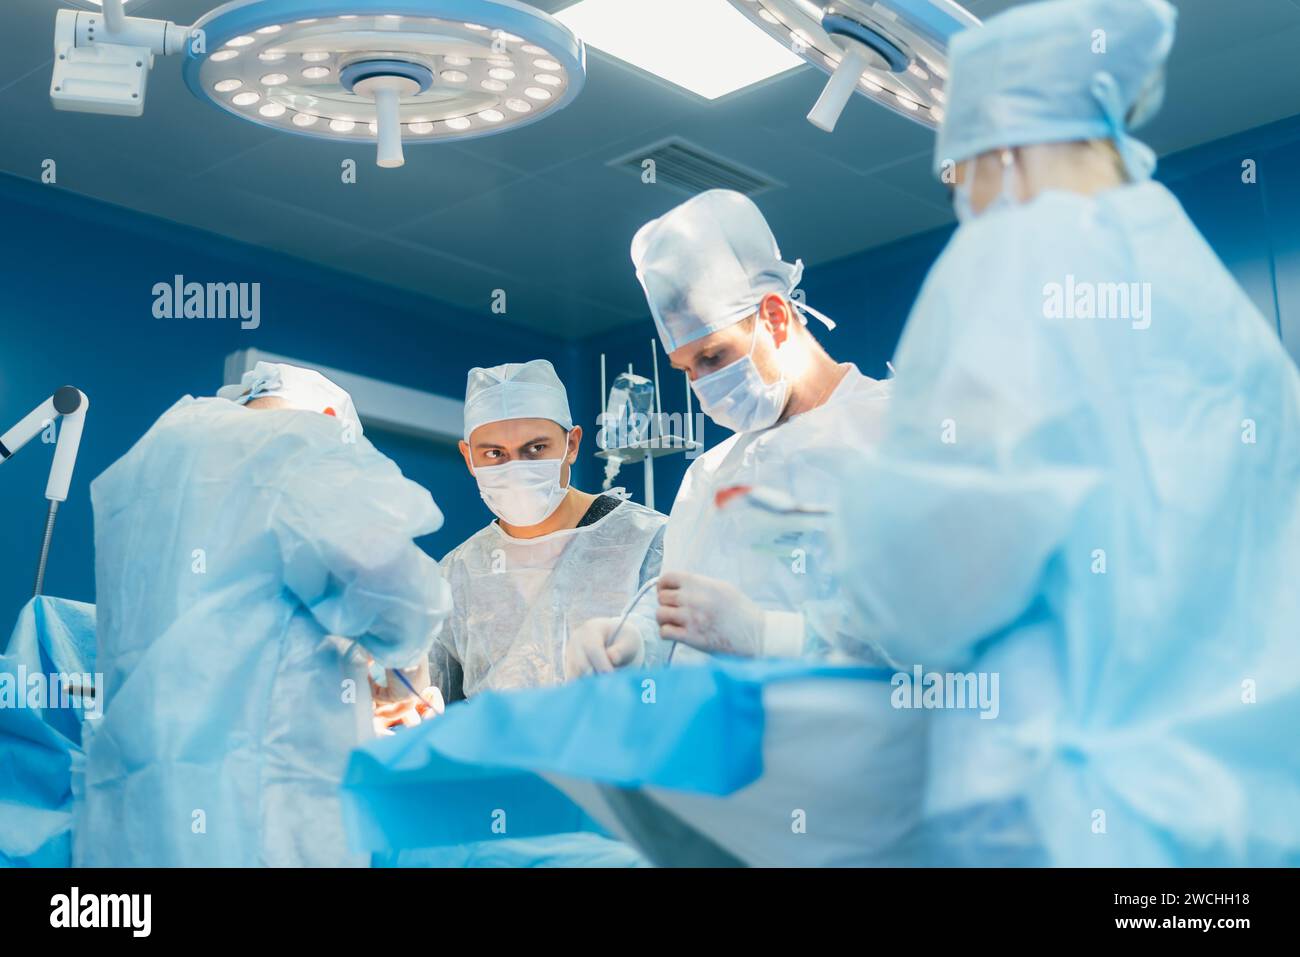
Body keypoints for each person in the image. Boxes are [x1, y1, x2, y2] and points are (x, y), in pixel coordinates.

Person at [834, 0, 1300, 865]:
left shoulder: (1016, 255)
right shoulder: (1203, 290)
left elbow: (932, 582)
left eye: (958, 175)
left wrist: (856, 525)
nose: (962, 201)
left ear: (1002, 149)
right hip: (1243, 827)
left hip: (1076, 820)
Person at [77, 362, 452, 867]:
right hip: (262, 810)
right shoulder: (301, 446)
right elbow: (399, 597)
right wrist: (406, 668)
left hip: (136, 815)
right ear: (329, 421)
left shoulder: (154, 468)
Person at [616, 189, 891, 666]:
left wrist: (772, 636)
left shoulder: (895, 431)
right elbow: (679, 608)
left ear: (777, 319)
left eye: (713, 356)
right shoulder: (710, 474)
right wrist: (632, 642)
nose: (703, 384)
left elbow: (944, 624)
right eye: (685, 369)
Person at [432, 359, 667, 698]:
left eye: (536, 449)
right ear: (469, 458)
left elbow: (689, 669)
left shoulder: (647, 542)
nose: (516, 468)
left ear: (571, 444)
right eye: (495, 453)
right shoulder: (457, 574)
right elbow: (428, 700)